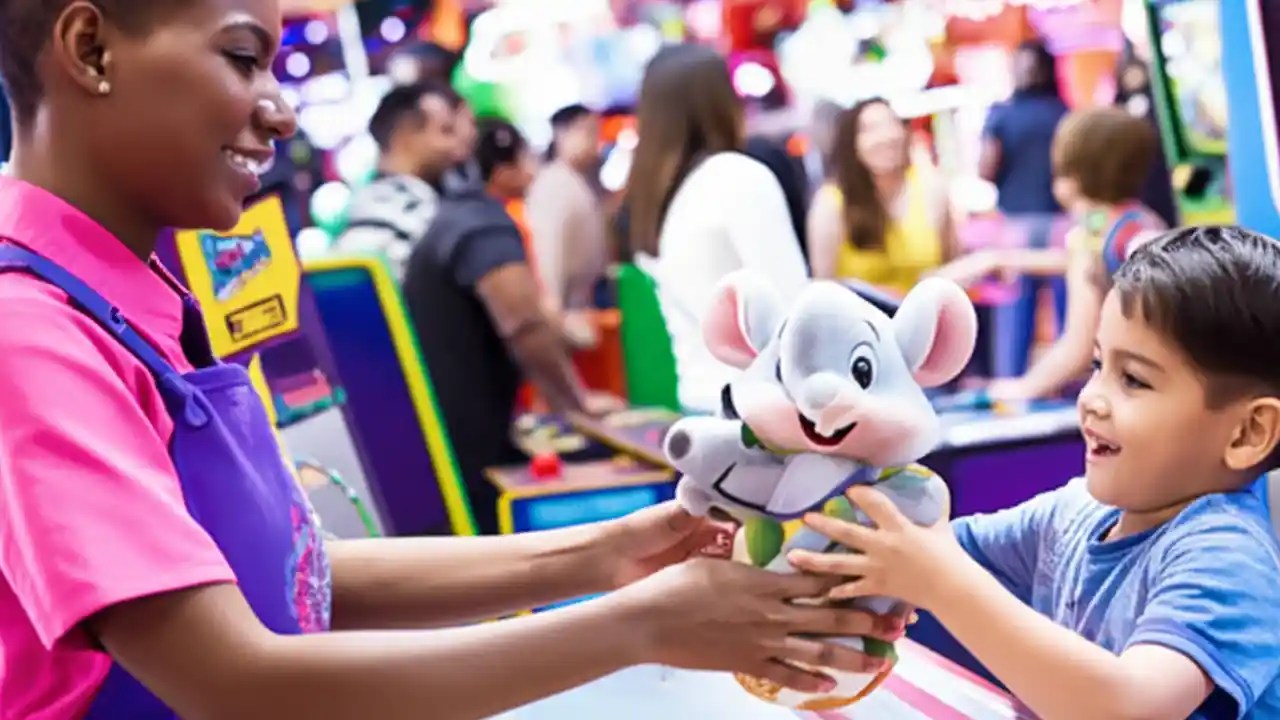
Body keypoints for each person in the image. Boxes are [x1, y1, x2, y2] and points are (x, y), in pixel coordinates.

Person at [0, 2, 903, 717]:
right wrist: (641, 626)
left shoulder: (127, 302)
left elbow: (299, 579)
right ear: (90, 49)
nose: (278, 109)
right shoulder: (30, 334)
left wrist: (608, 555)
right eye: (243, 58)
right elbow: (235, 680)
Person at [791, 226, 1280, 719]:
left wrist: (939, 580)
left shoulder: (1228, 557)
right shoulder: (1076, 515)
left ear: (1247, 434)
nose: (1091, 398)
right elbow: (933, 550)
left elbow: (1131, 709)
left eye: (1133, 379)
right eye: (1096, 365)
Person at [402, 119, 618, 534]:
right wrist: (577, 406)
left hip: (450, 447)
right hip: (472, 456)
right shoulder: (481, 225)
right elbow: (524, 326)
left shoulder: (459, 217)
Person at [626, 43, 809, 415]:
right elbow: (795, 309)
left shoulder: (657, 199)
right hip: (761, 413)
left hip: (699, 404)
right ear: (718, 100)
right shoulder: (738, 178)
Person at [967, 107, 1168, 402]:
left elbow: (1079, 346)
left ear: (1071, 178)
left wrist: (1018, 389)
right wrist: (998, 260)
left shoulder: (1088, 239)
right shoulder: (1143, 222)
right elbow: (1078, 265)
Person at [806, 98, 955, 294]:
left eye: (891, 124)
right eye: (871, 129)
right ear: (853, 144)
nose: (886, 136)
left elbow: (950, 267)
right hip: (859, 321)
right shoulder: (831, 204)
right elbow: (823, 288)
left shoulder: (931, 188)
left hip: (923, 318)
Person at [335, 81, 461, 279]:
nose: (455, 145)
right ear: (406, 135)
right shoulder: (408, 214)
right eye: (445, 131)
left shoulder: (364, 204)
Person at [524, 103, 609, 324]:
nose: (595, 142)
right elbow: (549, 249)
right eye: (587, 132)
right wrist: (554, 306)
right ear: (561, 133)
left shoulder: (577, 180)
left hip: (583, 303)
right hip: (567, 308)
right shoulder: (554, 183)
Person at [979, 40, 1070, 224]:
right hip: (1059, 218)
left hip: (1014, 218)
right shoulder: (1064, 114)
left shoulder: (1001, 115)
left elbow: (986, 169)